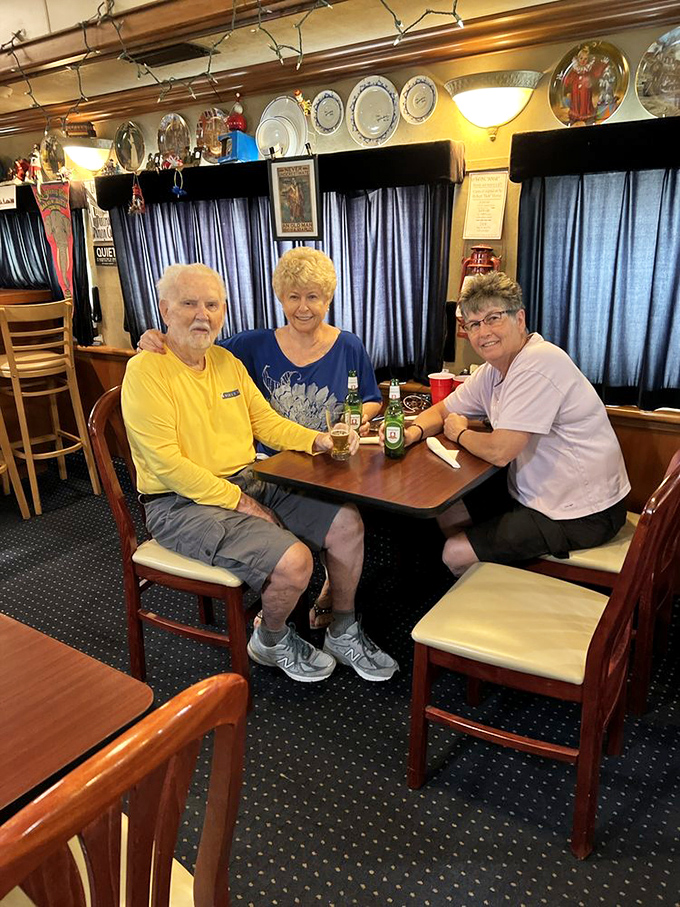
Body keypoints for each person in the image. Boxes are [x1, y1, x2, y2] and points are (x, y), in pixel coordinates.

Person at [122, 263, 397, 683]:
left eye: (212, 304)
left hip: (247, 477)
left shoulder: (226, 361)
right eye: (189, 303)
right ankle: (270, 640)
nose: (202, 314)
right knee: (295, 563)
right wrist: (242, 503)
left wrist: (316, 440)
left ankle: (343, 629)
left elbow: (266, 423)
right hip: (179, 503)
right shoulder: (145, 371)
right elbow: (167, 466)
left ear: (224, 310)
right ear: (164, 309)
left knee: (346, 523)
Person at [384, 271, 630, 576]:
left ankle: (484, 596)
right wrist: (411, 432)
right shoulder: (493, 370)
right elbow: (442, 410)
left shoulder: (539, 362)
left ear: (520, 318)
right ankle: (484, 579)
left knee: (454, 550)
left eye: (493, 318)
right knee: (450, 507)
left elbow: (501, 451)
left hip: (583, 512)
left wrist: (459, 433)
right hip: (534, 495)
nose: (483, 331)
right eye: (473, 324)